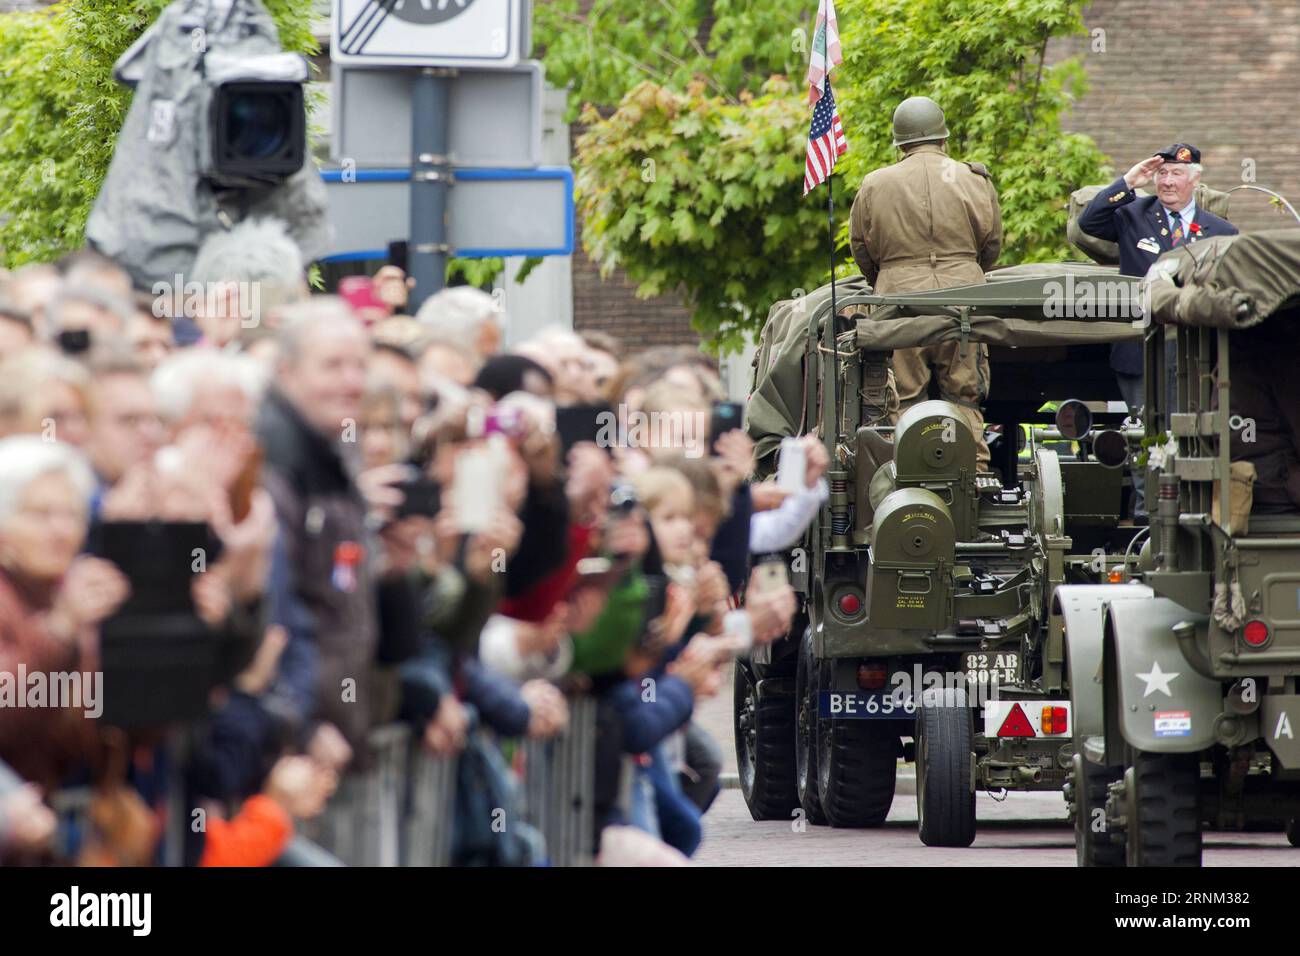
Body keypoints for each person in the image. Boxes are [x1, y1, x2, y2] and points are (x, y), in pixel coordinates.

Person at [1077, 143, 1237, 519]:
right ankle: (1148, 528)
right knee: (1145, 439)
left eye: (1176, 173)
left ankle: (1195, 519)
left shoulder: (1221, 231)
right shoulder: (1135, 214)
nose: (1167, 181)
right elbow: (1089, 223)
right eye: (1161, 173)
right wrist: (1131, 180)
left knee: (1196, 436)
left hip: (1200, 355)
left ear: (1194, 180)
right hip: (1140, 352)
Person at [849, 95, 1002, 467]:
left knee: (903, 399)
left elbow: (862, 247)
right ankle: (974, 475)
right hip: (964, 298)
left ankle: (909, 475)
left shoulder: (875, 183)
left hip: (899, 301)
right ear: (943, 139)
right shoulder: (973, 178)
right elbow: (992, 244)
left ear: (899, 144)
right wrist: (963, 270)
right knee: (964, 397)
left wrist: (890, 278)